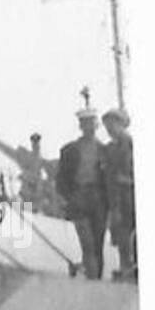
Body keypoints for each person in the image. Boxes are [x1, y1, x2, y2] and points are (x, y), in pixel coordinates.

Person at [56, 105, 108, 278]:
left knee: (98, 242)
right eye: (84, 123)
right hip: (78, 197)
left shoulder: (105, 150)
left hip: (99, 199)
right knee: (87, 243)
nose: (88, 127)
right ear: (80, 126)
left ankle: (96, 279)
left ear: (97, 125)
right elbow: (61, 178)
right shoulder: (69, 150)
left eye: (91, 123)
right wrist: (67, 198)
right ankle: (92, 280)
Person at [102, 108, 136, 280]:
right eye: (106, 125)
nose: (109, 128)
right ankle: (125, 266)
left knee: (126, 230)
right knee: (120, 231)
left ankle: (129, 267)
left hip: (127, 194)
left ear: (121, 123)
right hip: (116, 195)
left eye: (112, 124)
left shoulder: (128, 142)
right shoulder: (110, 147)